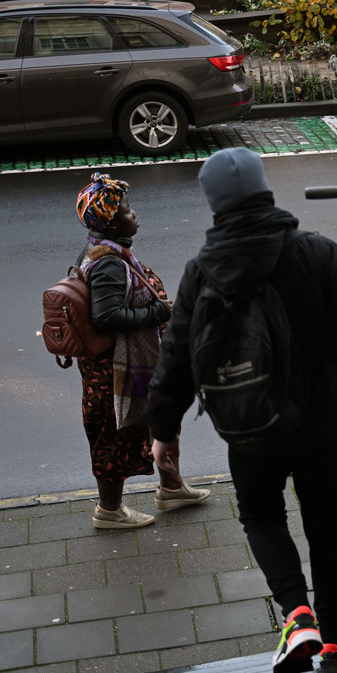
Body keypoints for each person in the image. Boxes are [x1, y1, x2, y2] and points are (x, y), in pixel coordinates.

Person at [147, 147, 337, 669]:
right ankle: (335, 638)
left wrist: (164, 430)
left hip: (250, 430)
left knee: (263, 516)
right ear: (266, 190)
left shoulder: (201, 272)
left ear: (213, 204)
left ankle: (298, 618)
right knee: (327, 525)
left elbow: (175, 357)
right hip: (326, 428)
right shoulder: (313, 253)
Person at [72, 173, 211, 531]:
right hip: (114, 370)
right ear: (110, 221)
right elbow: (106, 316)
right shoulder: (108, 263)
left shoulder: (106, 251)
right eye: (128, 212)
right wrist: (159, 312)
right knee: (114, 436)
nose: (135, 216)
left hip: (134, 362)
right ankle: (109, 511)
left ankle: (172, 488)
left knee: (160, 421)